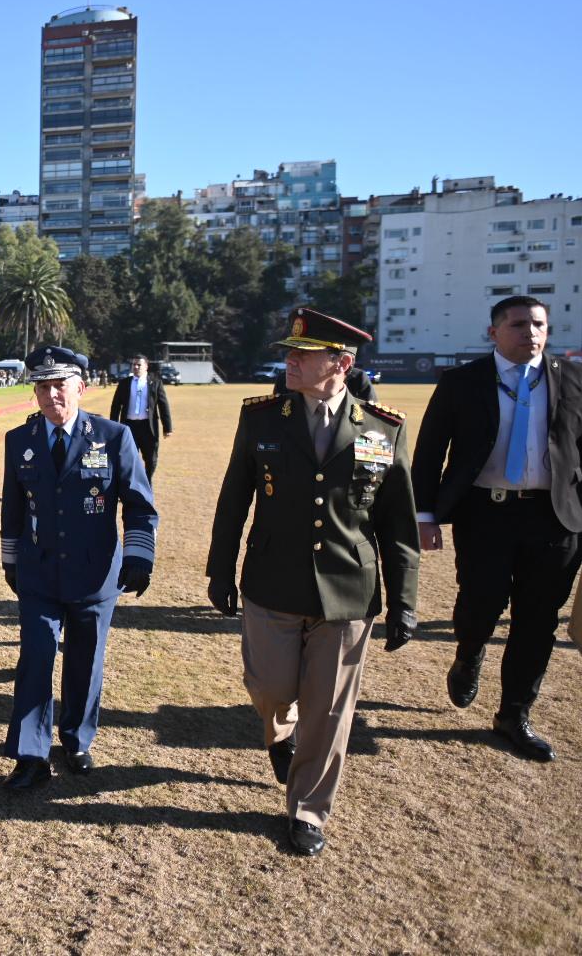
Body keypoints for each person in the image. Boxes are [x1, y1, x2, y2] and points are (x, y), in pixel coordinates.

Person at [206, 307, 419, 857]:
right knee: (271, 688)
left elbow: (397, 525)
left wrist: (406, 602)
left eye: (304, 353)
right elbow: (234, 501)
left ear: (341, 363)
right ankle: (279, 732)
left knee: (328, 710)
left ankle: (307, 810)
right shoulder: (261, 418)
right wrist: (220, 569)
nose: (290, 360)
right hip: (271, 582)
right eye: (290, 352)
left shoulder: (383, 428)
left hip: (348, 592)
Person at [412, 295, 582, 762]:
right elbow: (430, 451)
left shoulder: (581, 378)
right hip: (485, 514)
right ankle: (469, 652)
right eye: (518, 325)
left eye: (538, 324)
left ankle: (513, 715)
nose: (530, 333)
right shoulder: (462, 382)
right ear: (494, 332)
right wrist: (425, 516)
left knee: (537, 622)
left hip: (555, 519)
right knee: (478, 605)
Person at [0, 346, 157, 790]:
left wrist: (139, 557)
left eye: (60, 386)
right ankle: (30, 755)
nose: (52, 396)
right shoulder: (20, 440)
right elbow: (12, 509)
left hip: (94, 575)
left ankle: (75, 739)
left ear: (81, 388)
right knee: (36, 659)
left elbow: (140, 507)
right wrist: (11, 561)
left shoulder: (113, 437)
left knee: (85, 662)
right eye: (43, 387)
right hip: (39, 572)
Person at [108, 355, 173, 480]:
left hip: (148, 427)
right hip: (129, 426)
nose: (136, 367)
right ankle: (130, 485)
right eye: (134, 365)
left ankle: (147, 484)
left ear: (146, 367)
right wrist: (113, 426)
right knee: (128, 457)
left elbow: (163, 405)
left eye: (139, 365)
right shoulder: (124, 383)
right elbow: (116, 406)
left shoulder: (155, 383)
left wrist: (167, 427)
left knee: (151, 458)